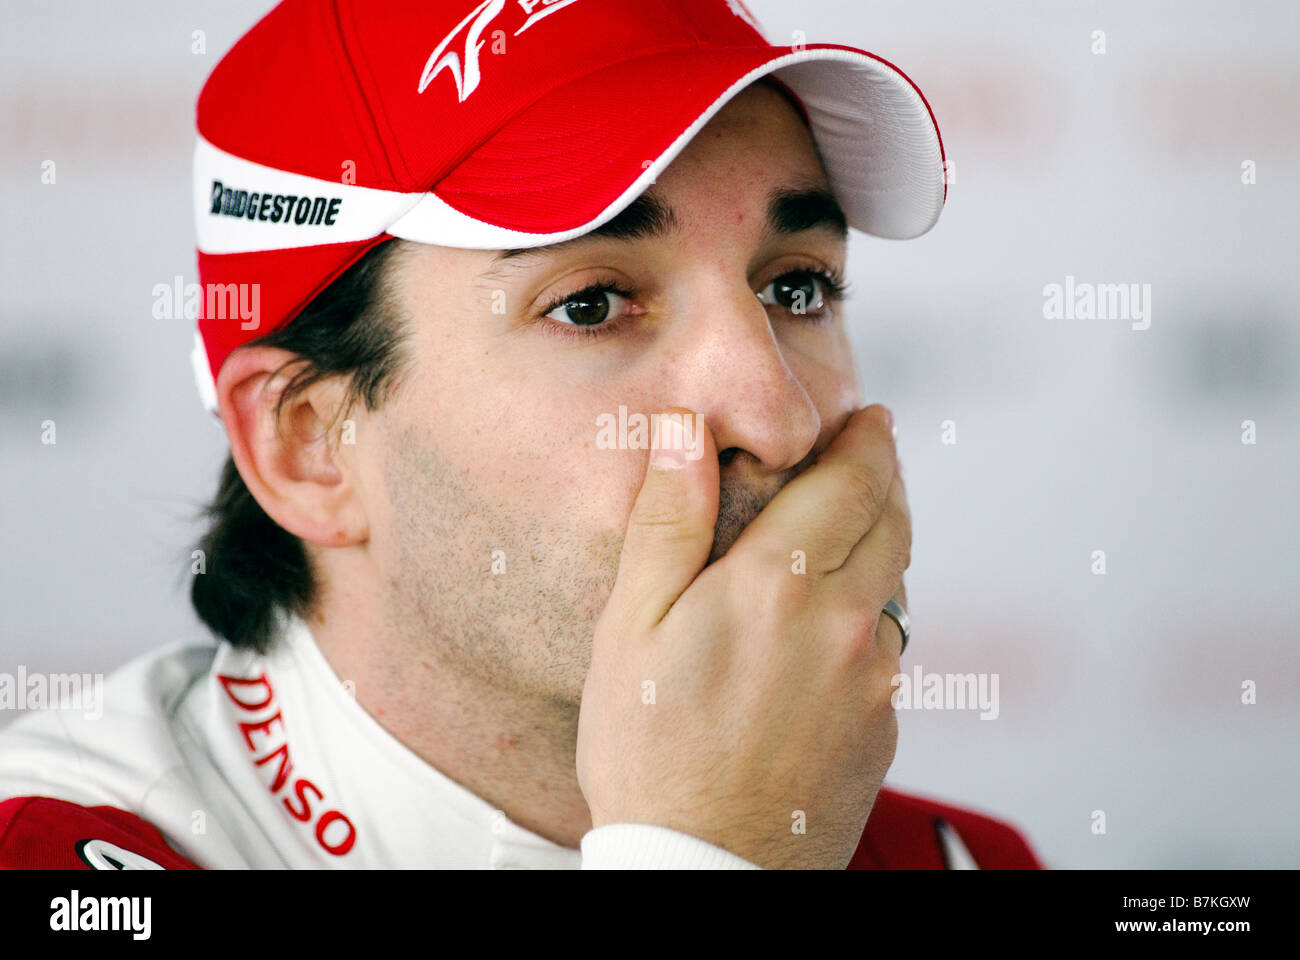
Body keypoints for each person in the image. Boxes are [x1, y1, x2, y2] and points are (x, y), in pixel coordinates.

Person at [0, 0, 1041, 870]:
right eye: (591, 304)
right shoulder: (61, 855)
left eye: (796, 285)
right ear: (309, 445)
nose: (776, 418)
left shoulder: (952, 860)